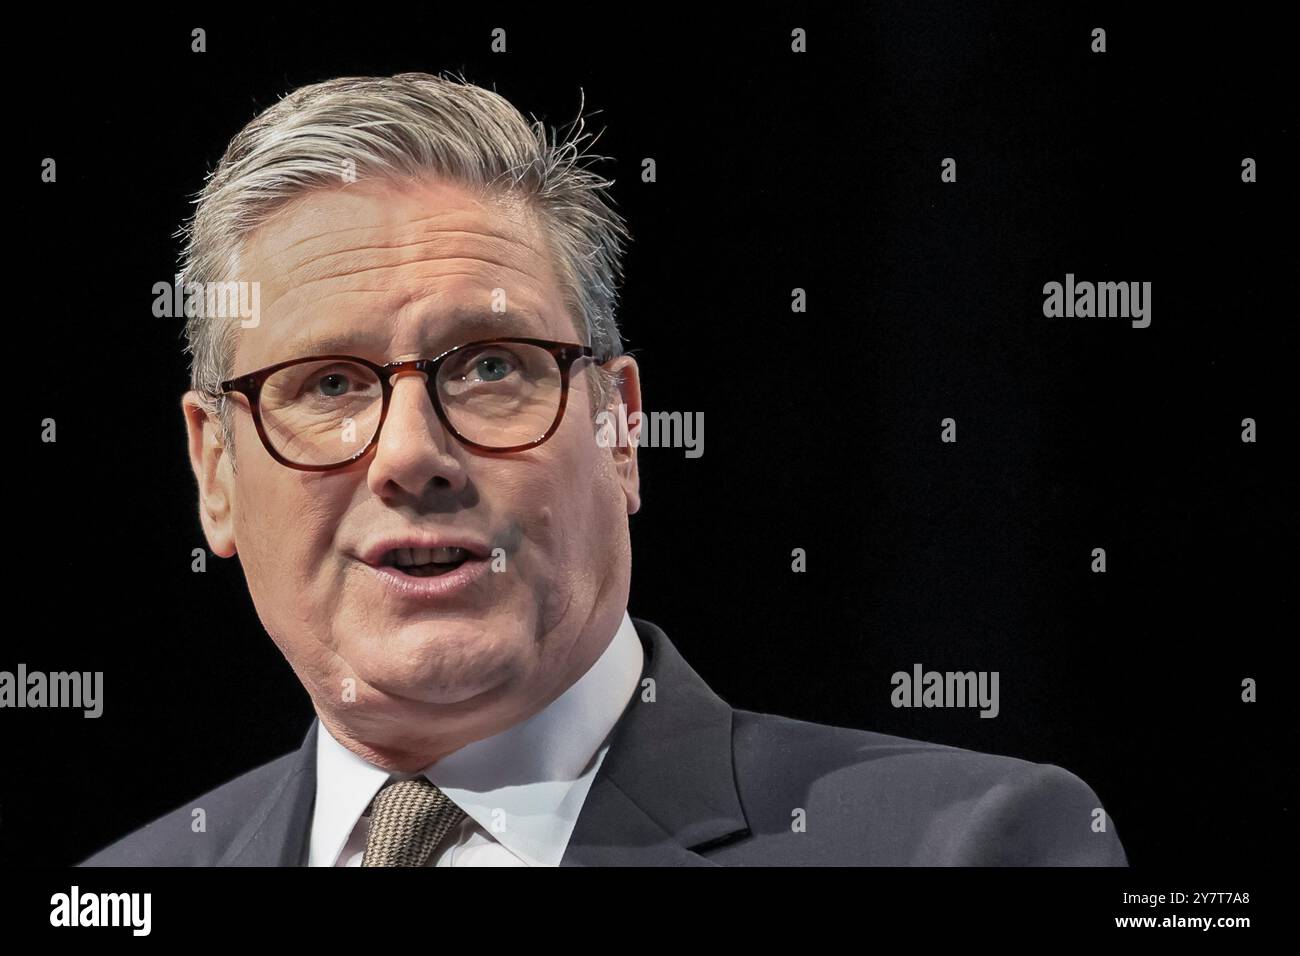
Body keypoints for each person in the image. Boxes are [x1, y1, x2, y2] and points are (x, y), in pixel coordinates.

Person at [80, 72, 1127, 867]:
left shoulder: (963, 844)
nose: (410, 453)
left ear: (621, 427)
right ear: (214, 469)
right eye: (328, 384)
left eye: (491, 366)